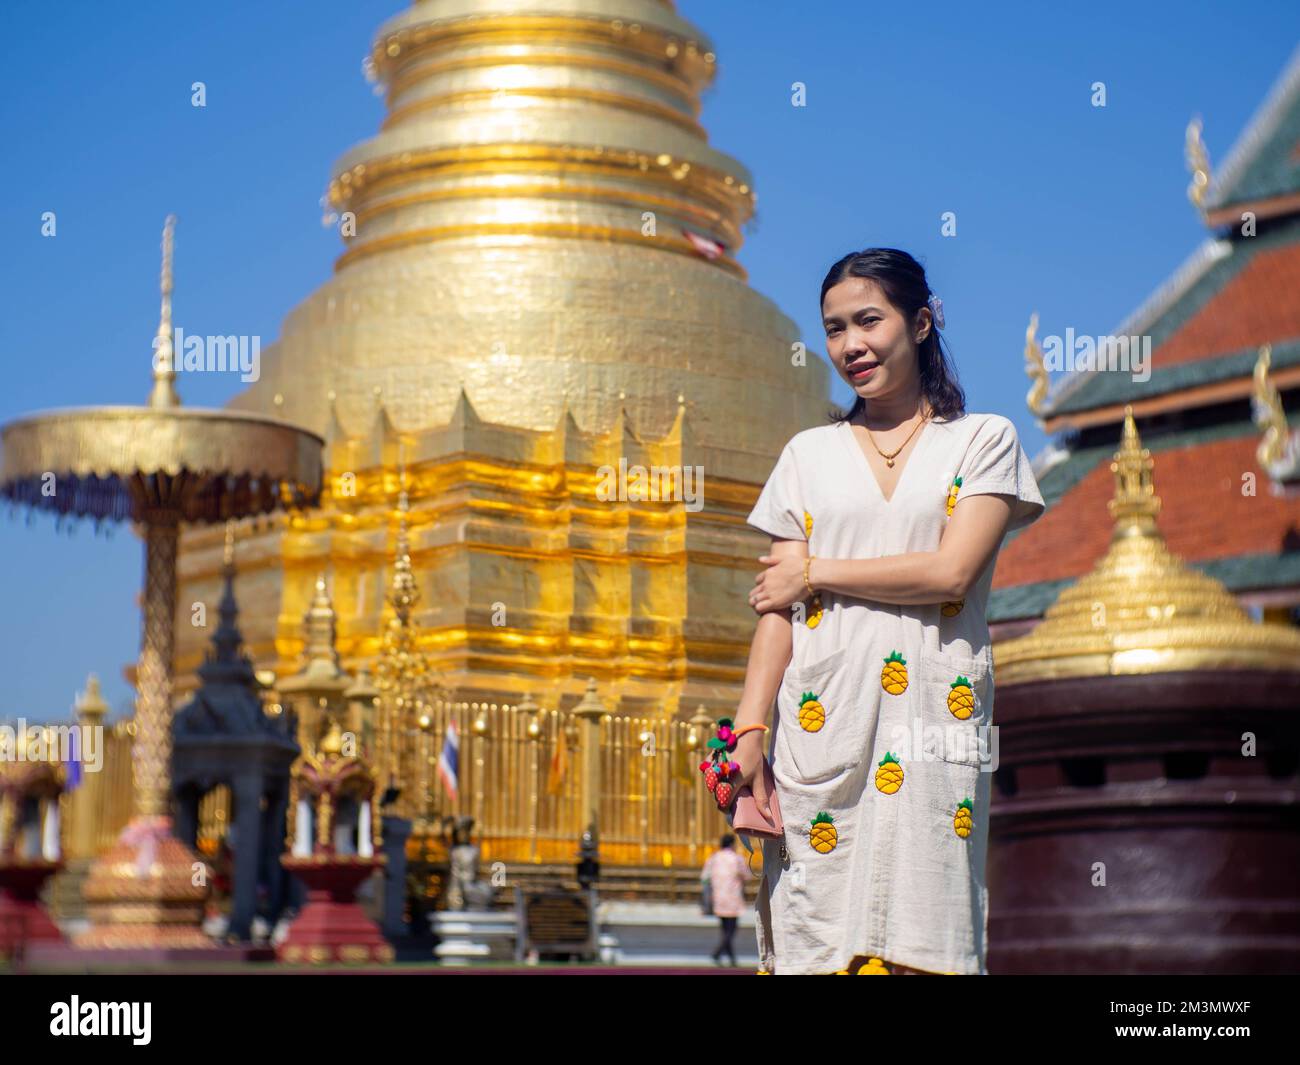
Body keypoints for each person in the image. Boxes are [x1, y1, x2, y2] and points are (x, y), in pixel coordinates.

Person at [731, 248, 1046, 975]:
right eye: (835, 328)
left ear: (924, 321)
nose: (851, 345)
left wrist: (814, 571)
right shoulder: (808, 454)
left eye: (868, 320)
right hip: (820, 720)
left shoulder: (981, 440)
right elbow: (775, 610)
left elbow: (950, 573)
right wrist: (750, 727)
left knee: (923, 928)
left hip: (933, 719)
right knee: (818, 931)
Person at [701, 833, 749, 966]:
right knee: (731, 930)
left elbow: (704, 877)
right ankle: (717, 953)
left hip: (718, 897)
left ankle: (732, 959)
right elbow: (746, 875)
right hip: (733, 897)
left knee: (724, 930)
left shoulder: (714, 858)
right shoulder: (736, 858)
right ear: (732, 844)